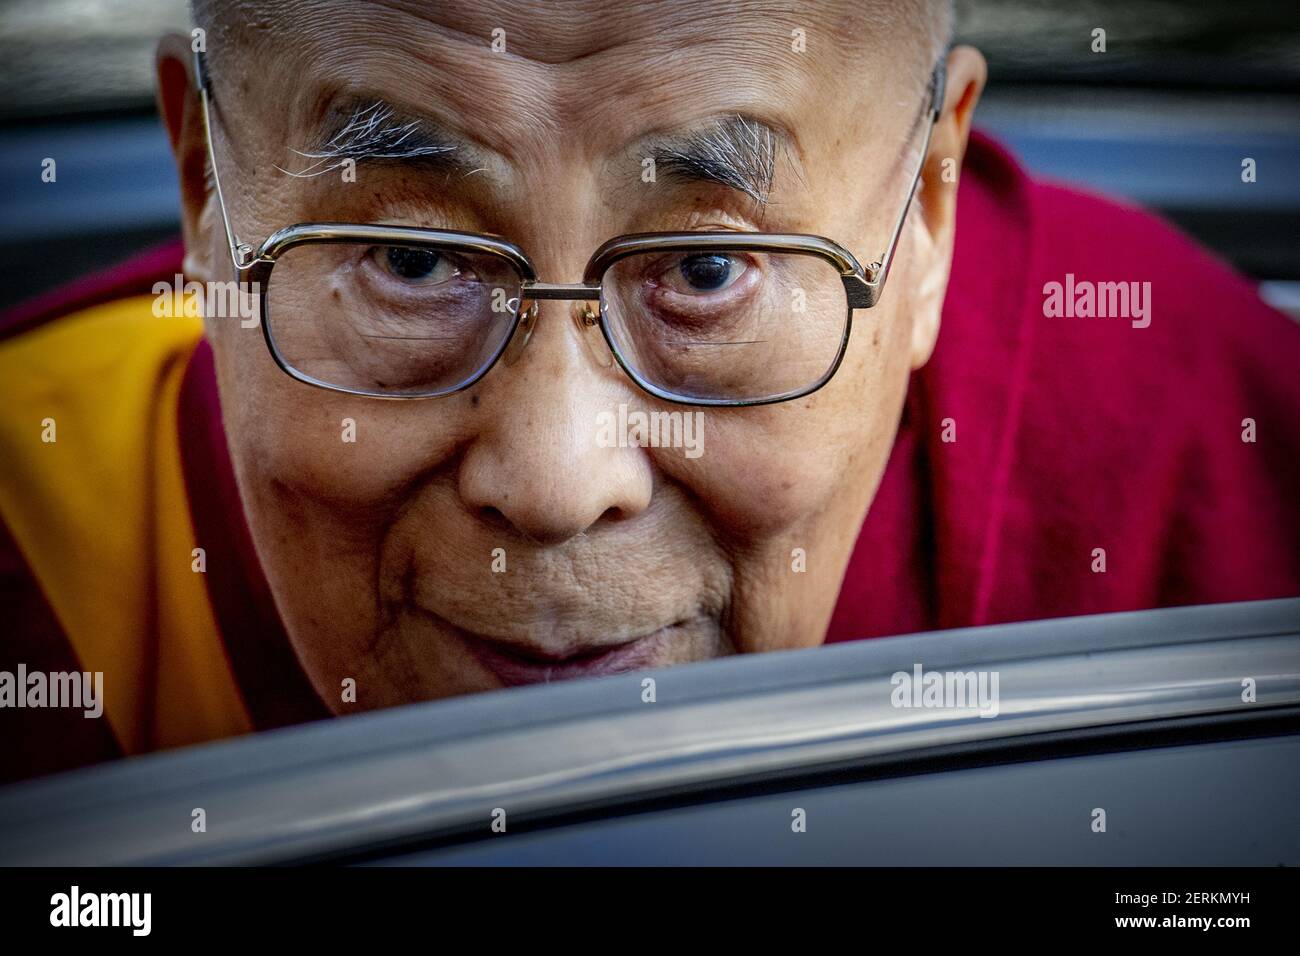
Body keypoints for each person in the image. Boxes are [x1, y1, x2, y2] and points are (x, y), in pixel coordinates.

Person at [2, 0, 1297, 783]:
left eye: (707, 268)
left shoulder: (1191, 442)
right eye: (410, 260)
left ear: (929, 221)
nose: (559, 483)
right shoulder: (37, 538)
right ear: (207, 199)